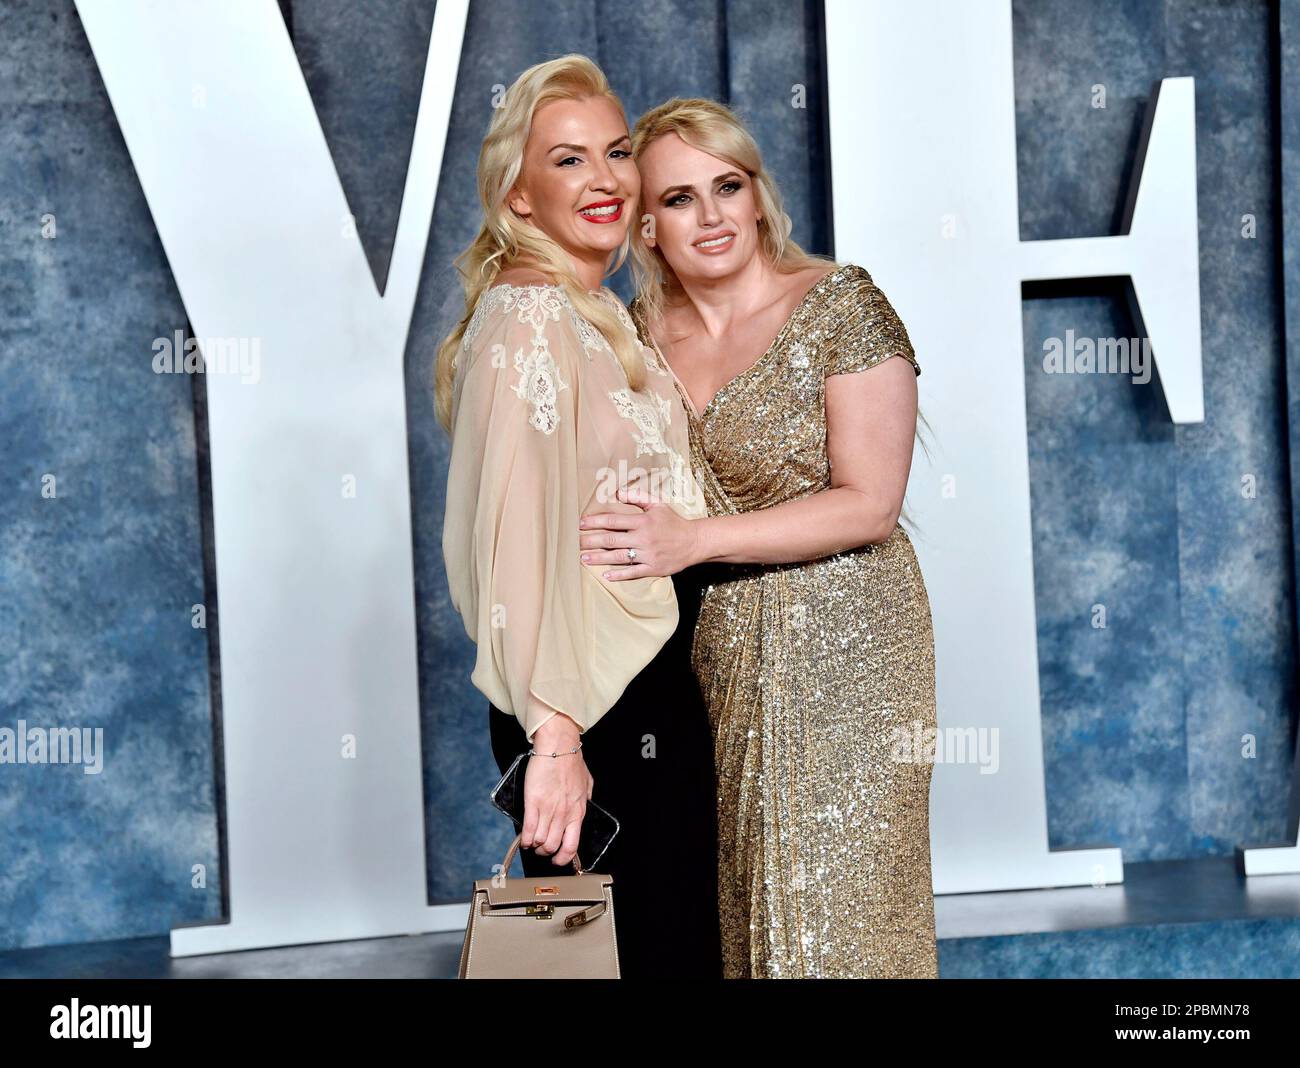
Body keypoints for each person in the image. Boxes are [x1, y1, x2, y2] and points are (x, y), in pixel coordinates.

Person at [578, 97, 939, 978]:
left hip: (854, 636)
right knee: (748, 905)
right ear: (646, 225)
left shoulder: (841, 305)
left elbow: (870, 505)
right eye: (677, 199)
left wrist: (689, 540)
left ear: (755, 194)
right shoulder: (630, 337)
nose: (709, 216)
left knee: (843, 906)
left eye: (726, 186)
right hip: (722, 646)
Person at [436, 60, 722, 979]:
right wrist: (554, 743)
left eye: (617, 151)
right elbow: (513, 546)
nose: (605, 179)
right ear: (518, 193)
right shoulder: (529, 318)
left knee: (660, 951)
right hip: (587, 707)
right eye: (569, 161)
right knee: (630, 957)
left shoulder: (585, 308)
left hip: (633, 687)